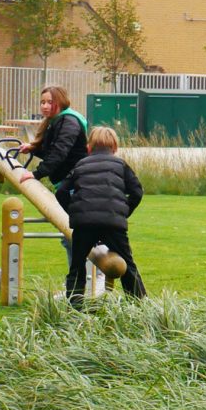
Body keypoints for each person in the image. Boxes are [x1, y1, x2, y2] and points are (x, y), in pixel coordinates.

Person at [59, 126, 147, 304]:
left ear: (89, 147)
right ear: (114, 148)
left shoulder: (81, 165)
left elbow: (61, 191)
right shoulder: (120, 165)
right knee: (128, 265)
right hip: (112, 224)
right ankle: (140, 306)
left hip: (84, 225)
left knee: (77, 266)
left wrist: (75, 212)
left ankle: (75, 308)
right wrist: (123, 212)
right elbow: (137, 191)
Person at [18, 86, 88, 193]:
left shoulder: (68, 122)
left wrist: (37, 174)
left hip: (75, 183)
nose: (45, 106)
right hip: (68, 181)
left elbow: (59, 152)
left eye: (50, 102)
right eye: (42, 102)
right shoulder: (56, 120)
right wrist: (32, 148)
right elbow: (50, 152)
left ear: (61, 102)